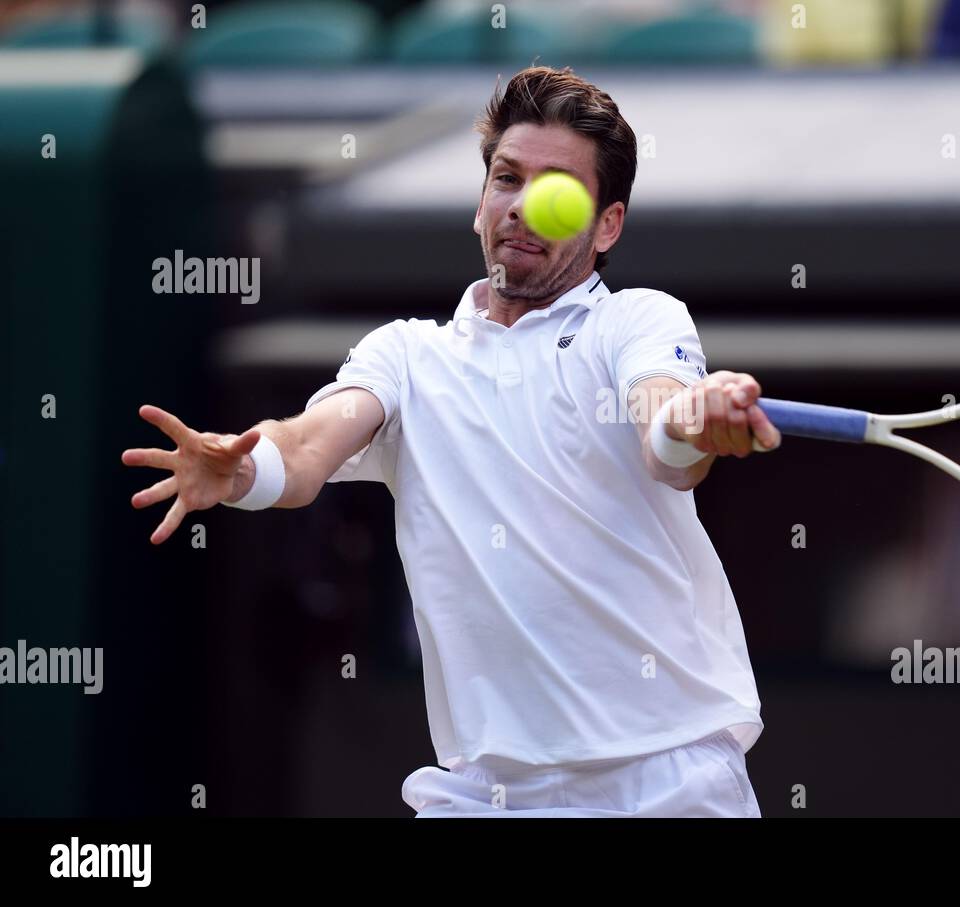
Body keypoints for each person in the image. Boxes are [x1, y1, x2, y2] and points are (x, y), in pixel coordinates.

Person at [121, 66, 779, 817]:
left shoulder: (638, 322)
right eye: (506, 178)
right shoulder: (405, 356)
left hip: (666, 780)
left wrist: (700, 418)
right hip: (482, 793)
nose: (522, 207)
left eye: (555, 188)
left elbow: (664, 429)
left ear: (607, 225)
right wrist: (243, 470)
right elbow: (304, 449)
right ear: (479, 203)